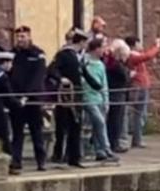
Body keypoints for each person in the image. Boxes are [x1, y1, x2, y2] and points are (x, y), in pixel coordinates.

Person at [9, 26, 48, 172]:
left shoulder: (38, 54)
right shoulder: (12, 54)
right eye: (18, 37)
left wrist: (28, 95)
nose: (20, 40)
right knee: (17, 132)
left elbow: (38, 78)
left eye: (23, 37)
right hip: (17, 100)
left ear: (29, 37)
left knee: (36, 131)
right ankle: (16, 162)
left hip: (32, 100)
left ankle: (41, 161)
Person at [51, 29, 88, 167]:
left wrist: (97, 86)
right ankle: (59, 153)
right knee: (62, 126)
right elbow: (52, 70)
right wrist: (61, 79)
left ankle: (74, 157)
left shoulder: (79, 57)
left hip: (77, 95)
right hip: (66, 95)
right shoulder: (64, 54)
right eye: (85, 43)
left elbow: (84, 73)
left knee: (76, 125)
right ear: (81, 42)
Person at [124, 35, 160, 149]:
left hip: (142, 86)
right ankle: (134, 138)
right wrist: (157, 46)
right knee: (139, 114)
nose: (141, 46)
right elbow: (148, 55)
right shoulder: (132, 56)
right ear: (134, 45)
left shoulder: (136, 55)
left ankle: (137, 139)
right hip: (138, 87)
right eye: (138, 43)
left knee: (140, 115)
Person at [81, 39, 114, 162]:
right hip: (87, 97)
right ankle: (106, 147)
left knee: (97, 125)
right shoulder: (84, 61)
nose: (104, 51)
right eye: (102, 48)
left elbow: (104, 84)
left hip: (99, 98)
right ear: (96, 49)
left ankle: (99, 151)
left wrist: (106, 100)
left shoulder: (100, 64)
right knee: (99, 122)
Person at [104, 40, 131, 154]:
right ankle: (113, 144)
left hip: (118, 95)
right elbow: (125, 78)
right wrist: (129, 74)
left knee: (116, 121)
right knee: (115, 122)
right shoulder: (116, 65)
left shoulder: (115, 64)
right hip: (116, 95)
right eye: (125, 55)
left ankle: (114, 142)